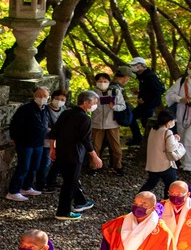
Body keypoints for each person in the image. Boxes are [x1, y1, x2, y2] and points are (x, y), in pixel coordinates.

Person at [49, 90, 103, 221]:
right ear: (86, 103)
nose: (95, 106)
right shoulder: (84, 118)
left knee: (70, 181)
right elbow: (86, 140)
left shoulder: (66, 113)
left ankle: (80, 202)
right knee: (69, 183)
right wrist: (95, 156)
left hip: (61, 151)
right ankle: (63, 211)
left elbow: (53, 132)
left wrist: (52, 149)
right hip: (74, 155)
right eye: (94, 103)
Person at [6, 86, 50, 202]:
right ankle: (13, 191)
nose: (42, 98)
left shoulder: (45, 109)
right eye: (39, 96)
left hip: (39, 142)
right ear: (34, 96)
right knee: (23, 167)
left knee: (34, 166)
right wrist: (14, 137)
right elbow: (14, 124)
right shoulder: (25, 109)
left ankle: (26, 187)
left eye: (44, 96)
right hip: (25, 143)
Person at [90, 73, 129, 175]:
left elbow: (123, 106)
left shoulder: (115, 92)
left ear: (109, 82)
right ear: (96, 82)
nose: (102, 83)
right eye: (100, 81)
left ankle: (118, 166)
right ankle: (93, 167)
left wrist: (114, 107)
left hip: (112, 124)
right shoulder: (92, 93)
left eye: (105, 81)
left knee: (116, 147)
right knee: (95, 147)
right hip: (96, 123)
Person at [138, 110, 181, 198]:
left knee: (151, 183)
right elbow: (171, 147)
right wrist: (176, 140)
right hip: (164, 164)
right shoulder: (167, 132)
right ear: (168, 121)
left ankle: (139, 197)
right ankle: (167, 202)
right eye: (172, 121)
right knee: (171, 184)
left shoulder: (154, 129)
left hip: (153, 164)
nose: (173, 123)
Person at [128, 57, 166, 146]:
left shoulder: (149, 76)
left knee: (132, 117)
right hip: (147, 104)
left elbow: (158, 90)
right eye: (132, 65)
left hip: (149, 104)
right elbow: (149, 89)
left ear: (141, 66)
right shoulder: (142, 75)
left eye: (134, 65)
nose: (132, 67)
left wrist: (145, 99)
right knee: (145, 122)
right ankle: (146, 140)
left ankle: (141, 139)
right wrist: (139, 92)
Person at [41, 89, 69, 189]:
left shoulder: (63, 109)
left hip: (60, 141)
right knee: (46, 162)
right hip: (47, 141)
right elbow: (44, 127)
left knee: (57, 163)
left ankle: (51, 181)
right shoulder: (45, 109)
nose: (59, 101)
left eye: (62, 99)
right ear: (52, 98)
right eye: (57, 98)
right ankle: (41, 183)